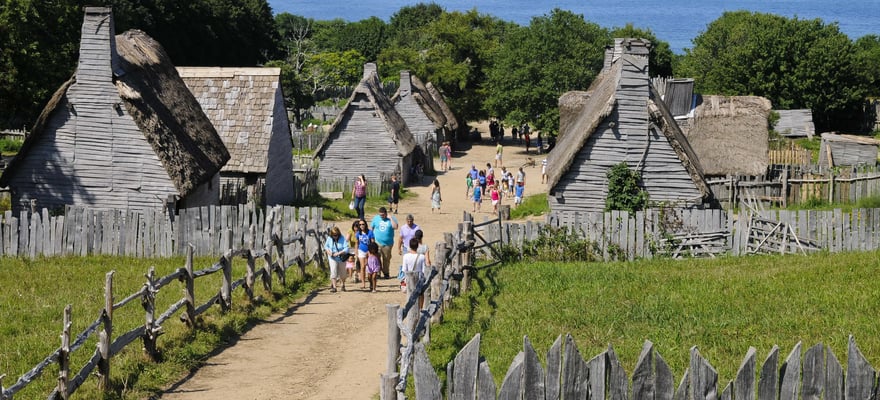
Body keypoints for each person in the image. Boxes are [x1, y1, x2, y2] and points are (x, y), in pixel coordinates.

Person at [371, 207, 398, 279]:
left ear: (386, 213)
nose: (382, 216)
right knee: (377, 257)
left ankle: (386, 272)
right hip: (377, 242)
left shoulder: (392, 218)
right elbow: (372, 228)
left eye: (383, 215)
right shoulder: (376, 218)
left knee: (386, 258)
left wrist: (390, 218)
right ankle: (378, 272)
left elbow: (395, 227)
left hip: (388, 243)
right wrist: (371, 239)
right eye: (380, 215)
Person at [401, 237, 427, 305]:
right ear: (417, 246)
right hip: (419, 279)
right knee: (421, 294)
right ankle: (420, 308)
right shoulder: (422, 257)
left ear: (409, 246)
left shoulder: (405, 256)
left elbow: (404, 269)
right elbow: (424, 270)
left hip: (409, 279)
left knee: (410, 294)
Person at [323, 226, 349, 293]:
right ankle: (334, 287)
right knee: (333, 271)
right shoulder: (329, 238)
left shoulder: (342, 238)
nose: (335, 236)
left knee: (343, 273)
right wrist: (329, 252)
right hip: (332, 257)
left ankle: (343, 284)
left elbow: (346, 248)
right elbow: (326, 246)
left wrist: (339, 253)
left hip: (341, 258)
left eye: (336, 235)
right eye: (334, 235)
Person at [355, 219, 374, 289]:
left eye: (363, 224)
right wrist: (356, 252)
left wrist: (371, 252)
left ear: (365, 224)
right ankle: (363, 283)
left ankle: (371, 282)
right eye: (360, 225)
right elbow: (357, 243)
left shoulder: (370, 232)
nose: (361, 226)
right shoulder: (358, 233)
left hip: (369, 251)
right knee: (362, 267)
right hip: (361, 251)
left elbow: (372, 243)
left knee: (370, 267)